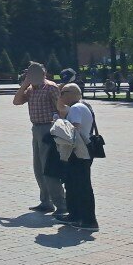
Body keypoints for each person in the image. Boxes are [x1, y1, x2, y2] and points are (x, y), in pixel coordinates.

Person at [12, 62, 67, 217]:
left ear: (44, 73)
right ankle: (46, 202)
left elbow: (61, 109)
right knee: (38, 167)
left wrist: (60, 131)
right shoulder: (30, 90)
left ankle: (61, 204)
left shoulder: (51, 87)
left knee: (49, 169)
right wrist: (24, 85)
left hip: (49, 129)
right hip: (36, 129)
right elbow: (16, 101)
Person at [55, 83, 98, 230]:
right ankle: (74, 215)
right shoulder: (82, 105)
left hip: (79, 151)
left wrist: (58, 125)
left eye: (62, 93)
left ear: (71, 93)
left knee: (82, 185)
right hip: (83, 150)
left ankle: (89, 220)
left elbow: (73, 130)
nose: (60, 96)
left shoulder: (75, 108)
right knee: (72, 184)